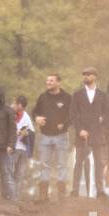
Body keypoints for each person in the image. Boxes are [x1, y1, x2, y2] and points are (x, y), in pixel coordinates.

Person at [32, 73, 71, 201]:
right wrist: (37, 118)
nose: (48, 83)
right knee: (44, 165)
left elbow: (73, 115)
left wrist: (64, 124)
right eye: (47, 80)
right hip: (45, 135)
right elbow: (35, 112)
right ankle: (43, 195)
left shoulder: (67, 97)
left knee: (62, 165)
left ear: (58, 82)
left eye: (51, 80)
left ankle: (62, 195)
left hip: (61, 136)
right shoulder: (42, 97)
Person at [70, 67, 104, 197]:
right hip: (81, 134)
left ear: (94, 77)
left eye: (88, 75)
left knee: (98, 163)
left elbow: (107, 113)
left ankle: (100, 191)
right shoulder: (77, 95)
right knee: (78, 162)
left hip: (97, 135)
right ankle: (75, 190)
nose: (85, 77)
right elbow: (73, 114)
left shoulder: (102, 95)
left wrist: (103, 118)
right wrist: (80, 130)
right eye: (84, 75)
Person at [12, 94, 36, 198]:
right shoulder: (10, 113)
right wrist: (15, 131)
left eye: (15, 103)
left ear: (20, 105)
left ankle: (15, 197)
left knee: (19, 175)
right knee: (10, 172)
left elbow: (32, 132)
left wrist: (25, 133)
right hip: (13, 147)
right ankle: (9, 196)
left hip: (23, 149)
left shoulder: (26, 116)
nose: (14, 105)